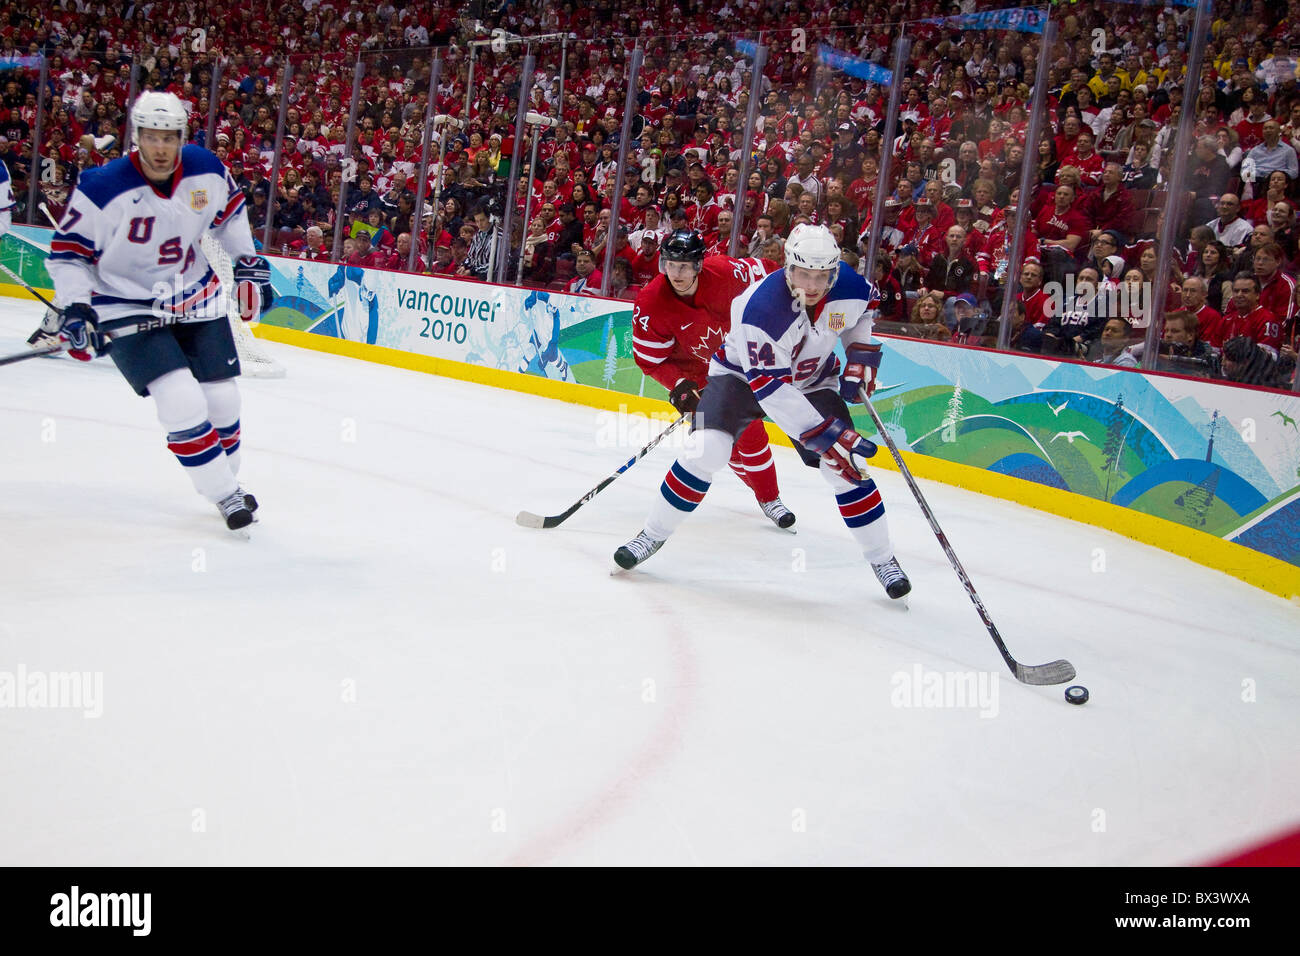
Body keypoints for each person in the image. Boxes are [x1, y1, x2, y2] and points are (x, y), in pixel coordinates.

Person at [615, 223, 911, 601]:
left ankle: (883, 559)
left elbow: (864, 312)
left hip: (813, 382)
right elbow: (770, 391)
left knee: (844, 465)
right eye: (803, 273)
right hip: (740, 378)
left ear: (834, 272)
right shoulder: (762, 309)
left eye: (822, 275)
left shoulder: (849, 286)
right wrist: (822, 434)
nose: (812, 284)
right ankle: (651, 535)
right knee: (706, 450)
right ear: (788, 267)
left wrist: (860, 353)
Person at [42, 91, 272, 531]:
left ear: (181, 137)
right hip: (121, 299)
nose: (161, 148)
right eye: (151, 137)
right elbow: (69, 256)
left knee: (223, 399)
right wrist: (76, 308)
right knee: (181, 398)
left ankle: (227, 480)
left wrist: (246, 263)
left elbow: (230, 216)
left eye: (169, 138)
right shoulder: (102, 186)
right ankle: (226, 495)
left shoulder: (205, 168)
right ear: (137, 137)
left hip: (191, 291)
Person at [630, 229, 795, 531]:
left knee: (750, 429)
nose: (675, 273)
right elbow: (649, 360)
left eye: (683, 266)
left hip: (733, 361)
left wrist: (798, 294)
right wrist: (678, 385)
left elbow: (774, 275)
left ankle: (770, 498)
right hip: (694, 374)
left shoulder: (725, 272)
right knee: (725, 439)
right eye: (669, 264)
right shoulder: (651, 302)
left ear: (698, 265)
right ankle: (763, 492)